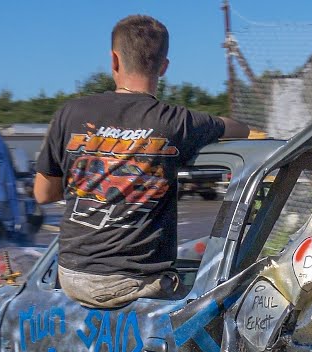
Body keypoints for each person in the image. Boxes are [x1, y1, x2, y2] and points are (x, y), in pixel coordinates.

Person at [35, 14, 249, 308]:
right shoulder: (177, 123)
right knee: (215, 312)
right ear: (164, 67)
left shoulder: (69, 113)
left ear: (114, 60)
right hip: (135, 283)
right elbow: (241, 129)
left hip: (73, 275)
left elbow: (43, 193)